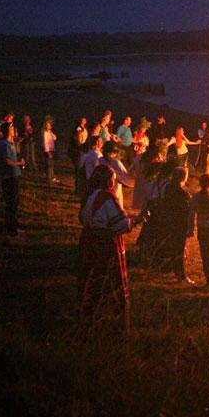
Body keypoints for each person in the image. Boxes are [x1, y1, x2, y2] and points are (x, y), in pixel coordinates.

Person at [77, 164, 135, 331]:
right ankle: (110, 320)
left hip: (88, 242)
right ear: (108, 180)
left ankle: (88, 315)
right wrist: (134, 222)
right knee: (108, 279)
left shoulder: (89, 196)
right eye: (113, 179)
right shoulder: (107, 197)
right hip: (104, 244)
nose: (114, 182)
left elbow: (83, 218)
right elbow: (121, 225)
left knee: (90, 278)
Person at [155, 167, 195, 284]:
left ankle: (168, 268)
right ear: (183, 178)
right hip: (178, 225)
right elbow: (187, 211)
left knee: (170, 246)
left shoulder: (167, 188)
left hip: (167, 222)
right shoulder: (183, 194)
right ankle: (181, 275)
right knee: (179, 249)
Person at [0, 121, 26, 240]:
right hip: (9, 177)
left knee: (14, 203)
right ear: (7, 130)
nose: (14, 129)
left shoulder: (10, 143)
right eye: (12, 127)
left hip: (13, 175)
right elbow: (7, 162)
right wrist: (20, 163)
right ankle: (12, 232)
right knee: (11, 204)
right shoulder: (4, 144)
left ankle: (13, 228)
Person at [103, 142, 135, 211]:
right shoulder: (115, 163)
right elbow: (127, 179)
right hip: (113, 195)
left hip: (101, 196)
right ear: (115, 152)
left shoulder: (100, 160)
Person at [41, 116, 58, 184]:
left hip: (52, 150)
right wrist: (47, 151)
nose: (50, 125)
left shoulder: (49, 132)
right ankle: (49, 178)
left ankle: (51, 176)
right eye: (48, 125)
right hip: (48, 151)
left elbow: (55, 138)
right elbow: (45, 142)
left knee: (51, 164)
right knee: (48, 165)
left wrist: (51, 132)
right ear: (46, 126)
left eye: (50, 124)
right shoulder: (45, 133)